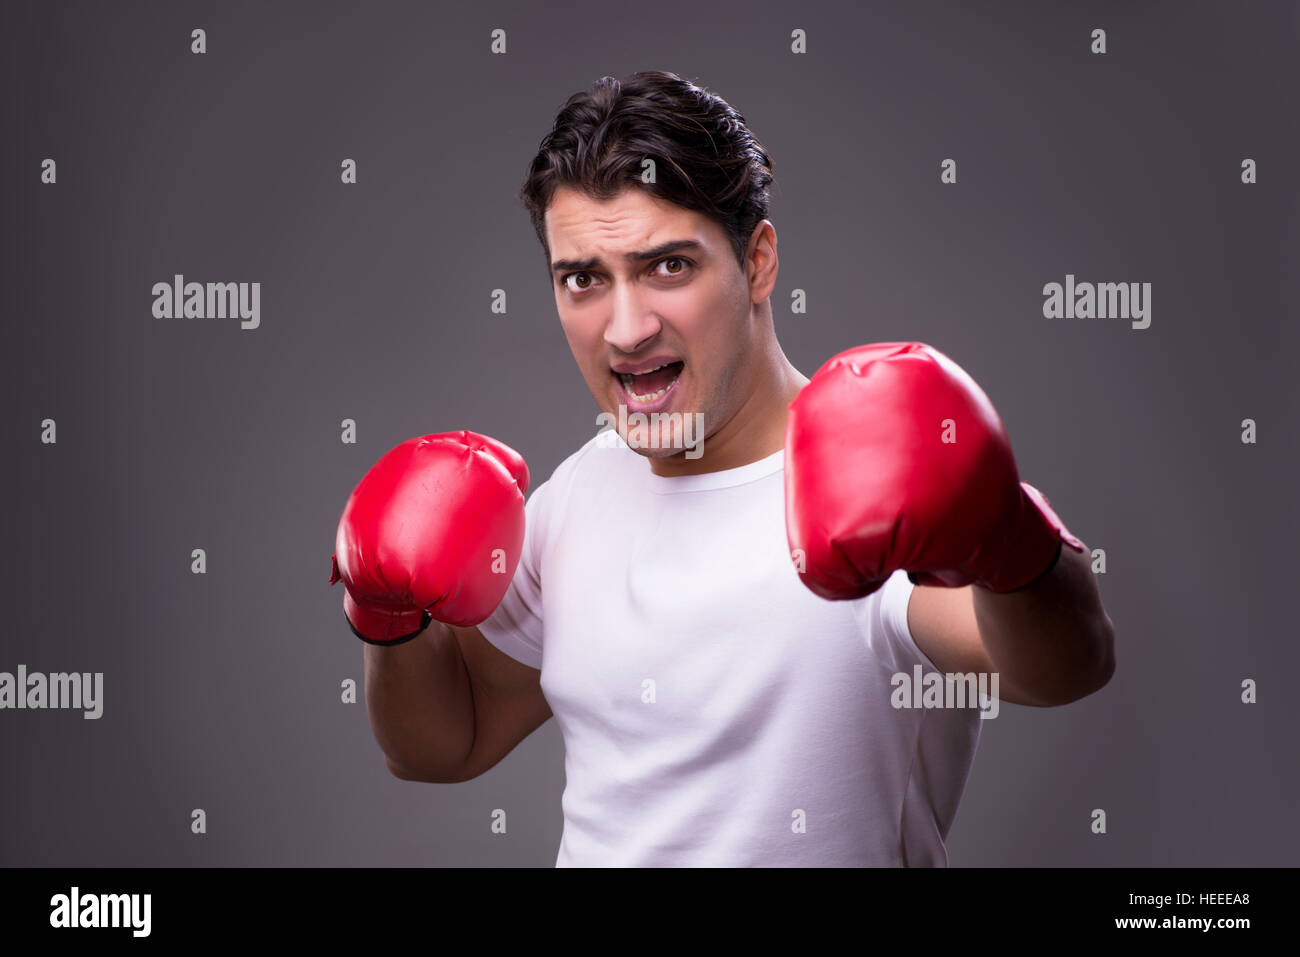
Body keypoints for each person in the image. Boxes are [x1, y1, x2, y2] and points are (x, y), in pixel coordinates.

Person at [329, 70, 1116, 867]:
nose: (627, 328)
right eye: (584, 279)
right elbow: (445, 743)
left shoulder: (865, 479)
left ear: (759, 261)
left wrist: (1007, 534)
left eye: (668, 266)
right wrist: (384, 613)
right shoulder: (578, 493)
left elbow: (1067, 667)